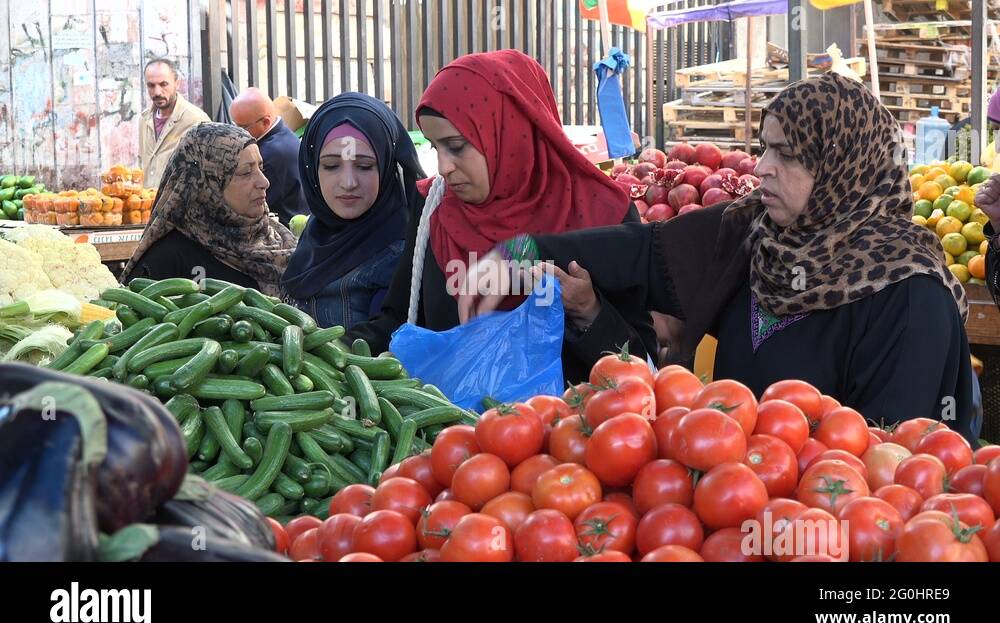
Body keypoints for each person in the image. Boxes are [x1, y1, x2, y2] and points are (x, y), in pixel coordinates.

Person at [459, 73, 977, 440]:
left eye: (787, 154)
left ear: (845, 166)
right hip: (732, 502)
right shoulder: (753, 231)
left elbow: (892, 459)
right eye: (764, 147)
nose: (763, 167)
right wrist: (520, 252)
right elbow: (646, 252)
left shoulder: (908, 293)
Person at [347, 50, 657, 384]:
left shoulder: (601, 213)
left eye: (457, 145)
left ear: (511, 133)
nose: (444, 167)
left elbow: (644, 365)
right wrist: (331, 350)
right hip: (448, 430)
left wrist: (589, 311)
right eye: (436, 147)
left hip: (568, 429)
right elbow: (398, 316)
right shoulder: (433, 207)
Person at [281, 93, 424, 329]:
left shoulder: (403, 258)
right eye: (331, 166)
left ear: (387, 166)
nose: (348, 182)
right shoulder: (316, 232)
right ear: (311, 168)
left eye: (365, 166)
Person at [122, 123, 297, 294]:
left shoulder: (280, 239)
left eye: (261, 168)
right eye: (245, 173)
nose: (264, 182)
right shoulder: (167, 260)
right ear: (206, 186)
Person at [230, 87, 310, 225]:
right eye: (233, 125)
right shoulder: (282, 137)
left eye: (242, 127)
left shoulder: (271, 153)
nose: (235, 132)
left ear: (265, 122)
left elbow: (245, 207)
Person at [140, 58, 211, 189]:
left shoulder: (196, 120)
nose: (157, 92)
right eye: (151, 85)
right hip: (148, 205)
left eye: (163, 84)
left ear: (177, 84)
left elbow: (209, 172)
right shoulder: (145, 119)